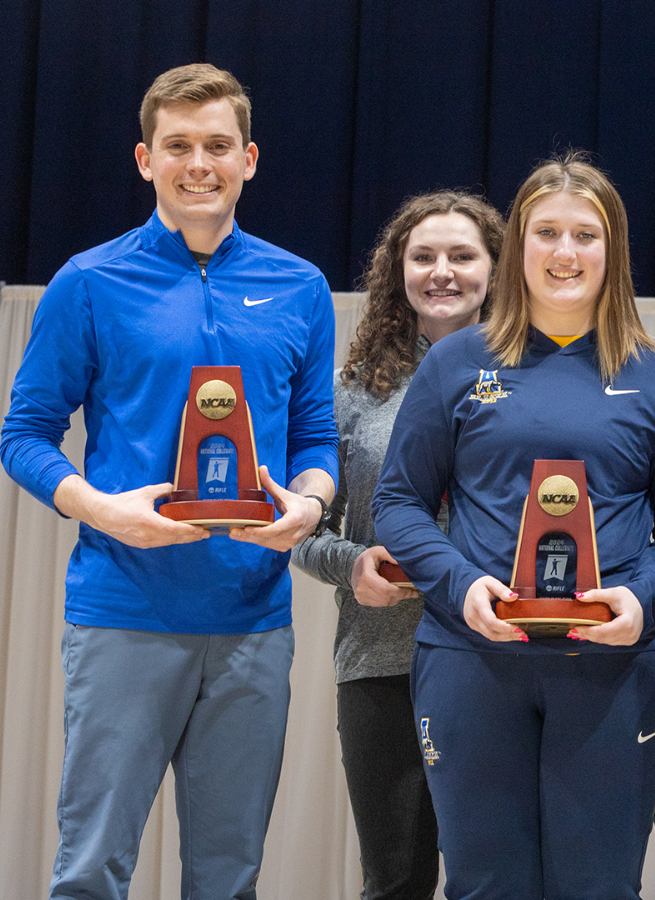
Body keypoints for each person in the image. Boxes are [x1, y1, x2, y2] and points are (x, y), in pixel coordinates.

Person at [0, 63, 337, 900]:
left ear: (249, 159)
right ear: (144, 159)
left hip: (254, 622)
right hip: (123, 613)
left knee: (228, 881)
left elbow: (316, 438)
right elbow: (25, 435)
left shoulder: (299, 286)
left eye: (218, 145)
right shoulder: (90, 281)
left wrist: (312, 502)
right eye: (178, 145)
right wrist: (103, 511)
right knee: (90, 873)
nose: (199, 165)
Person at [371, 153, 655, 900]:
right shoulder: (457, 362)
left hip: (616, 661)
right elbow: (397, 502)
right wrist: (460, 586)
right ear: (518, 246)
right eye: (547, 232)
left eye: (585, 235)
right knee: (486, 885)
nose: (565, 253)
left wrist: (646, 597)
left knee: (596, 886)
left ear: (613, 250)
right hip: (473, 658)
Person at [292, 190, 504, 900]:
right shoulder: (352, 391)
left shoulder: (534, 380)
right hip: (381, 665)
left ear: (497, 270)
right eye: (424, 257)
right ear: (398, 271)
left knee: (495, 879)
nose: (442, 271)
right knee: (396, 883)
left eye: (463, 256)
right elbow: (304, 530)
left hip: (504, 663)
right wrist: (352, 566)